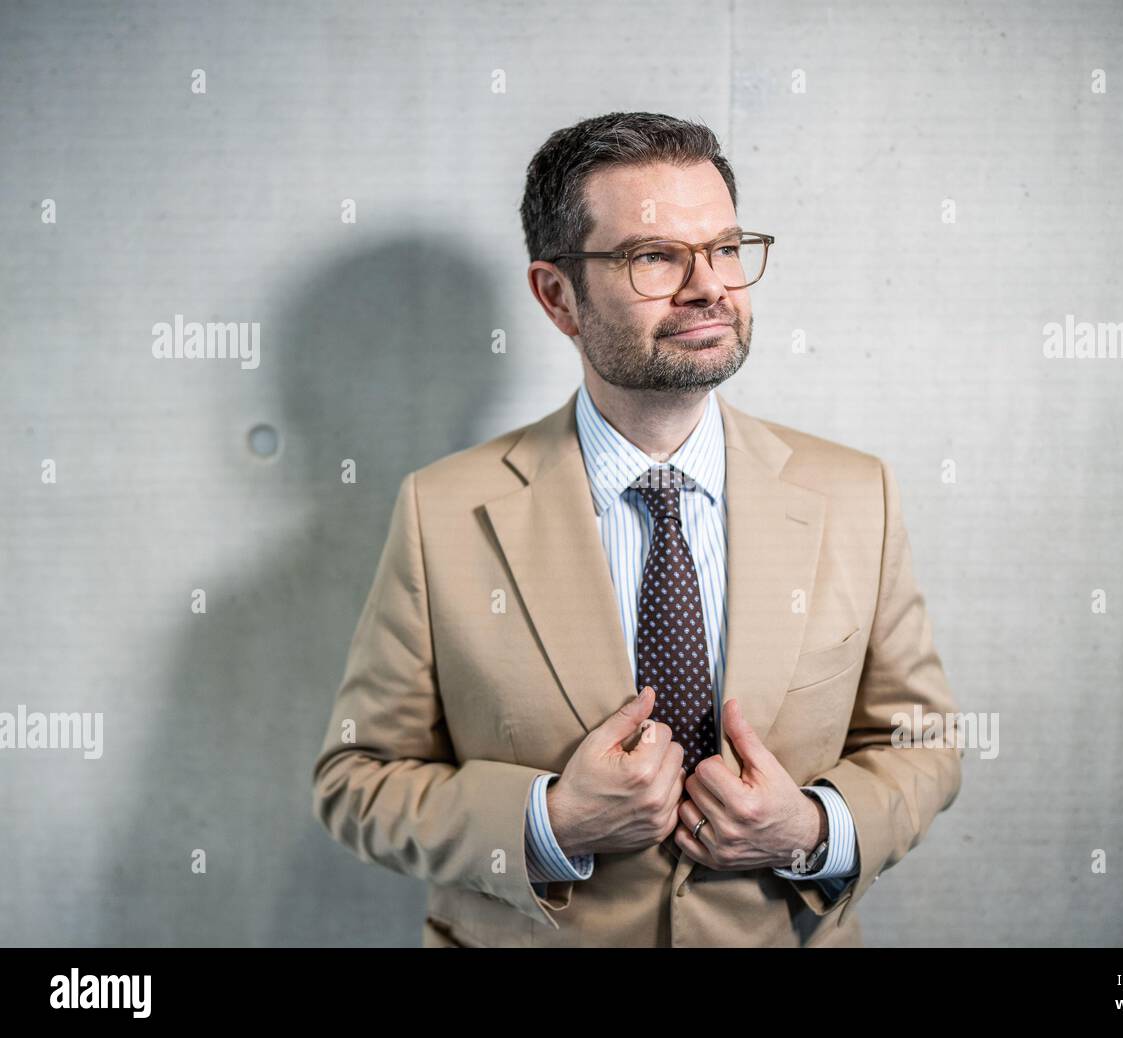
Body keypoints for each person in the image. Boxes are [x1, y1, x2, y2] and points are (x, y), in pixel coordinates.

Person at [311, 111, 962, 947]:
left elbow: (922, 742)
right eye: (654, 256)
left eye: (726, 248)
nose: (710, 287)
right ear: (557, 298)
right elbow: (354, 779)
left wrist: (809, 829)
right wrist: (549, 823)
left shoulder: (855, 492)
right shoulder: (441, 512)